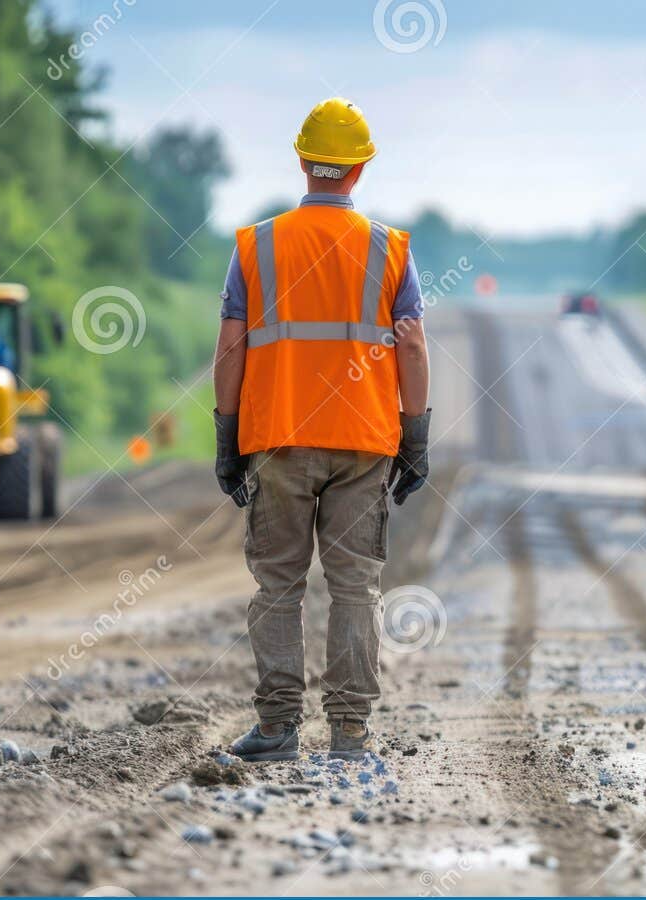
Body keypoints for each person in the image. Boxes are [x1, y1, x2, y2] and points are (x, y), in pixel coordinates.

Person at [211, 98, 431, 762]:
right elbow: (413, 347)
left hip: (277, 436)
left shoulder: (257, 246)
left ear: (303, 161)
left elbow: (229, 349)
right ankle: (350, 731)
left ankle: (278, 727)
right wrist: (415, 435)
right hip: (364, 441)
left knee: (278, 582)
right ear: (359, 169)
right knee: (354, 585)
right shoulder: (391, 249)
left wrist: (227, 436)